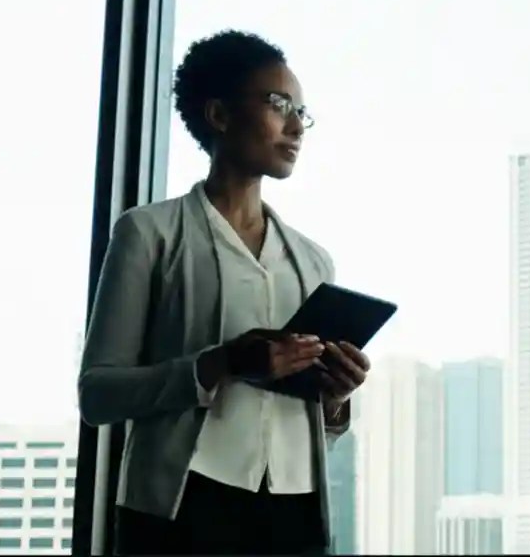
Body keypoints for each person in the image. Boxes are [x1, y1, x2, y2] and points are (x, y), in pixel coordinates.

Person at [78, 30, 370, 555]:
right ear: (219, 115)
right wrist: (221, 363)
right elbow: (97, 394)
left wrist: (334, 400)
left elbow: (314, 428)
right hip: (182, 509)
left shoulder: (313, 261)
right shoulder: (149, 234)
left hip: (295, 513)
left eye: (302, 111)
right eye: (279, 104)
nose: (297, 126)